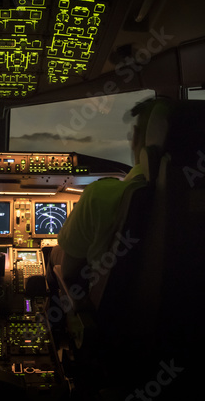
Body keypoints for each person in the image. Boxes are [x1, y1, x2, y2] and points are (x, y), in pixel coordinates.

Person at [48, 96, 171, 292]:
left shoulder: (100, 194)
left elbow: (69, 273)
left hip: (109, 309)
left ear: (136, 137)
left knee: (54, 255)